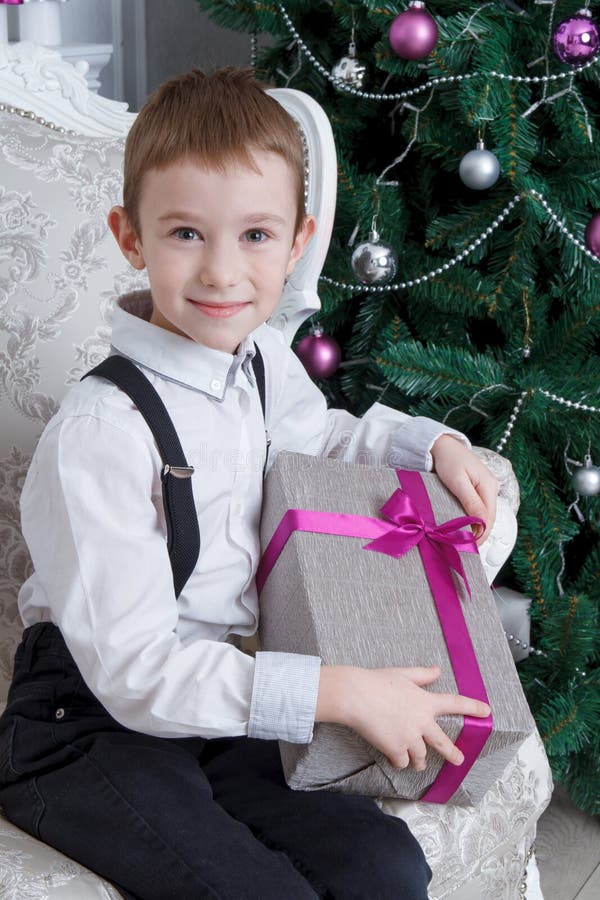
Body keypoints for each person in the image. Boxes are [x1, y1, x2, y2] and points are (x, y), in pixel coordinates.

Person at [0, 68, 496, 900]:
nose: (223, 274)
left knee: (386, 869)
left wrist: (430, 444)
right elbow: (136, 673)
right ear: (132, 238)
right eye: (187, 234)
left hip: (219, 702)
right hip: (88, 721)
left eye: (256, 236)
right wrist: (333, 693)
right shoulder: (100, 433)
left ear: (298, 242)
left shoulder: (261, 360)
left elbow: (322, 438)